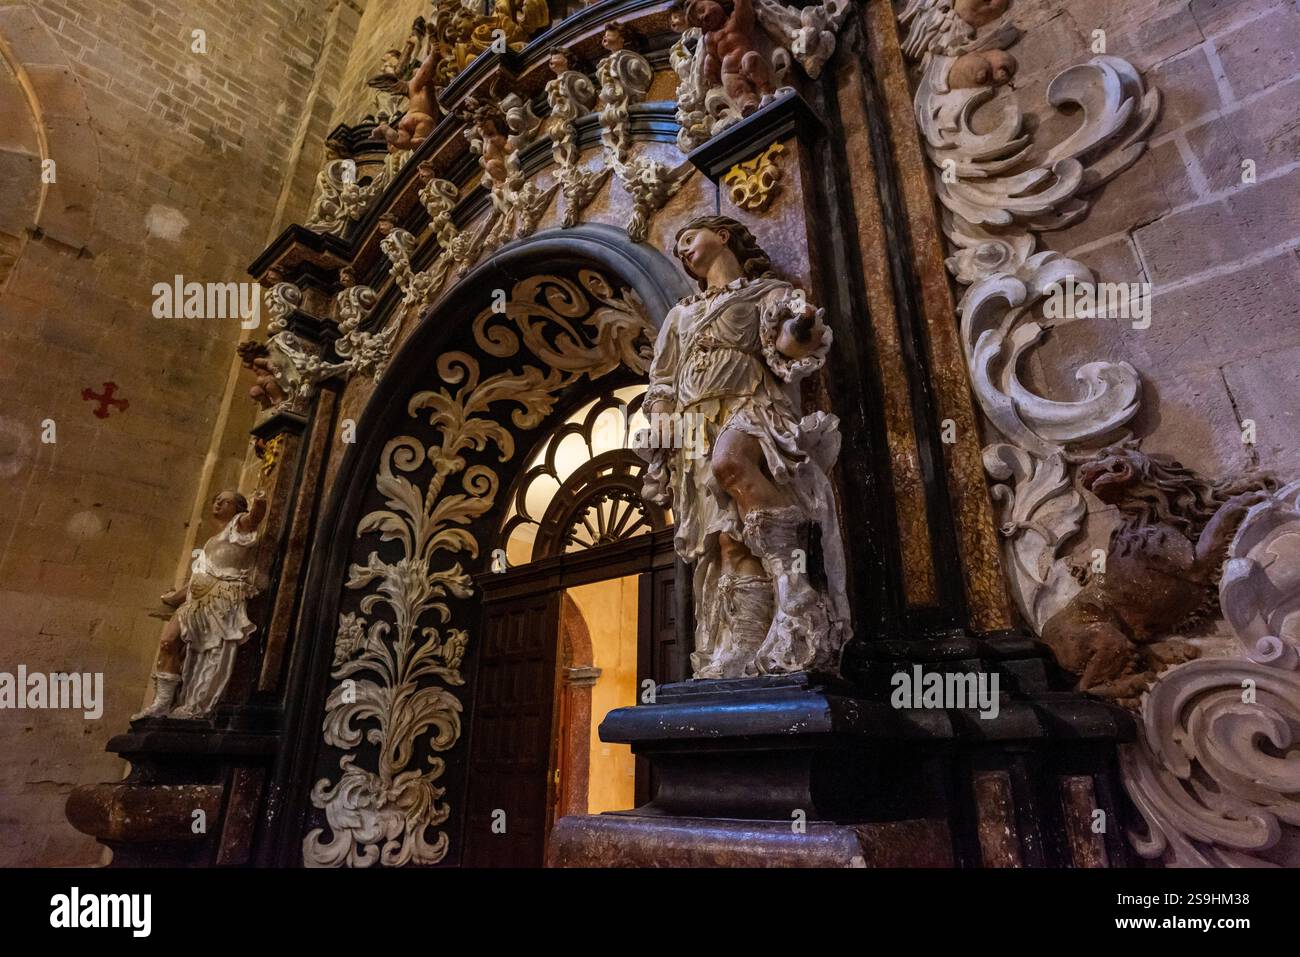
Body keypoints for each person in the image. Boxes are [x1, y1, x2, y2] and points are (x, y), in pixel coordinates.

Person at [637, 216, 850, 678]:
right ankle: (745, 643)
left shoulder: (765, 293)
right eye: (677, 247)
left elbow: (785, 345)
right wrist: (660, 425)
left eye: (688, 237)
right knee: (729, 543)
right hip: (693, 428)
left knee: (731, 464)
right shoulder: (681, 315)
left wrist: (801, 334)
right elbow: (662, 381)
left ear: (724, 235)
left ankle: (795, 585)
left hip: (749, 405)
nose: (683, 250)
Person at [134, 488, 268, 720]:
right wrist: (174, 598)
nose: (217, 504)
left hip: (220, 597)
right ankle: (161, 704)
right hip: (196, 597)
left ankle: (197, 703)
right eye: (216, 500)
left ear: (237, 508)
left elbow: (255, 517)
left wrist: (260, 499)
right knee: (168, 642)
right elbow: (200, 575)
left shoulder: (238, 526)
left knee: (210, 651)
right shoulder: (211, 542)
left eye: (224, 501)